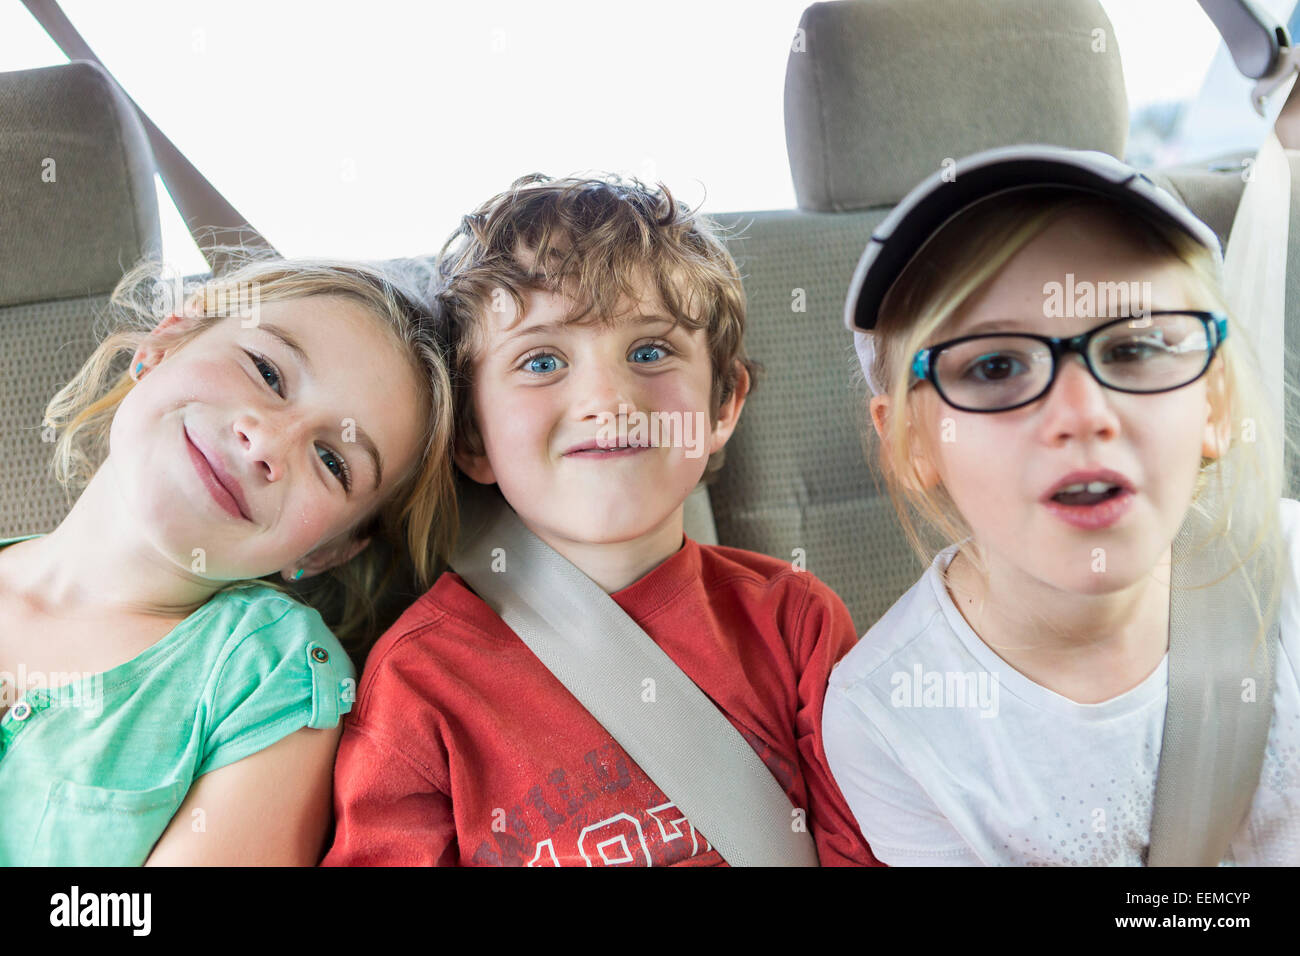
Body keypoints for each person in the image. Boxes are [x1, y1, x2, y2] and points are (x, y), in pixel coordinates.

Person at [323, 174, 878, 866]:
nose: (607, 397)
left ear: (722, 406)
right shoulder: (422, 680)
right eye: (542, 360)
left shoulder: (795, 624)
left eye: (649, 351)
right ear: (471, 435)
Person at [822, 145, 1299, 865]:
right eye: (996, 366)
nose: (1081, 413)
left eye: (1135, 347)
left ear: (1215, 401)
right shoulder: (890, 718)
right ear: (913, 444)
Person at [0, 256, 456, 865]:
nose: (267, 442)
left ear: (324, 551)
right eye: (266, 371)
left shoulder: (270, 674)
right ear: (165, 342)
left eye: (333, 461)